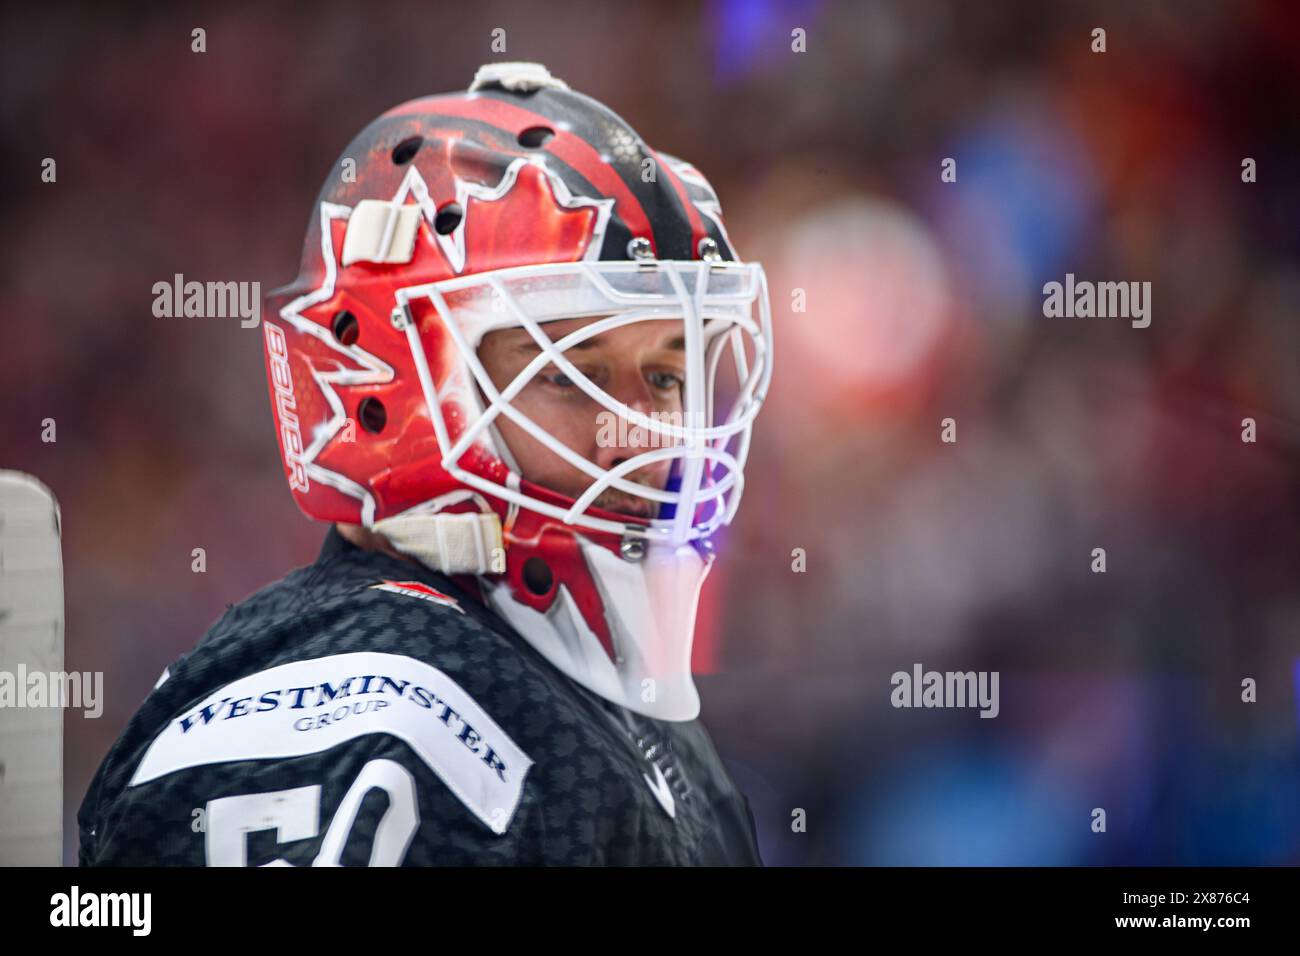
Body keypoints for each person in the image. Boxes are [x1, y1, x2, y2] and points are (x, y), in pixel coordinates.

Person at [79, 62, 773, 865]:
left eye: (664, 376)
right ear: (391, 384)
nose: (641, 432)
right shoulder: (366, 717)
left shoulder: (619, 706)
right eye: (567, 372)